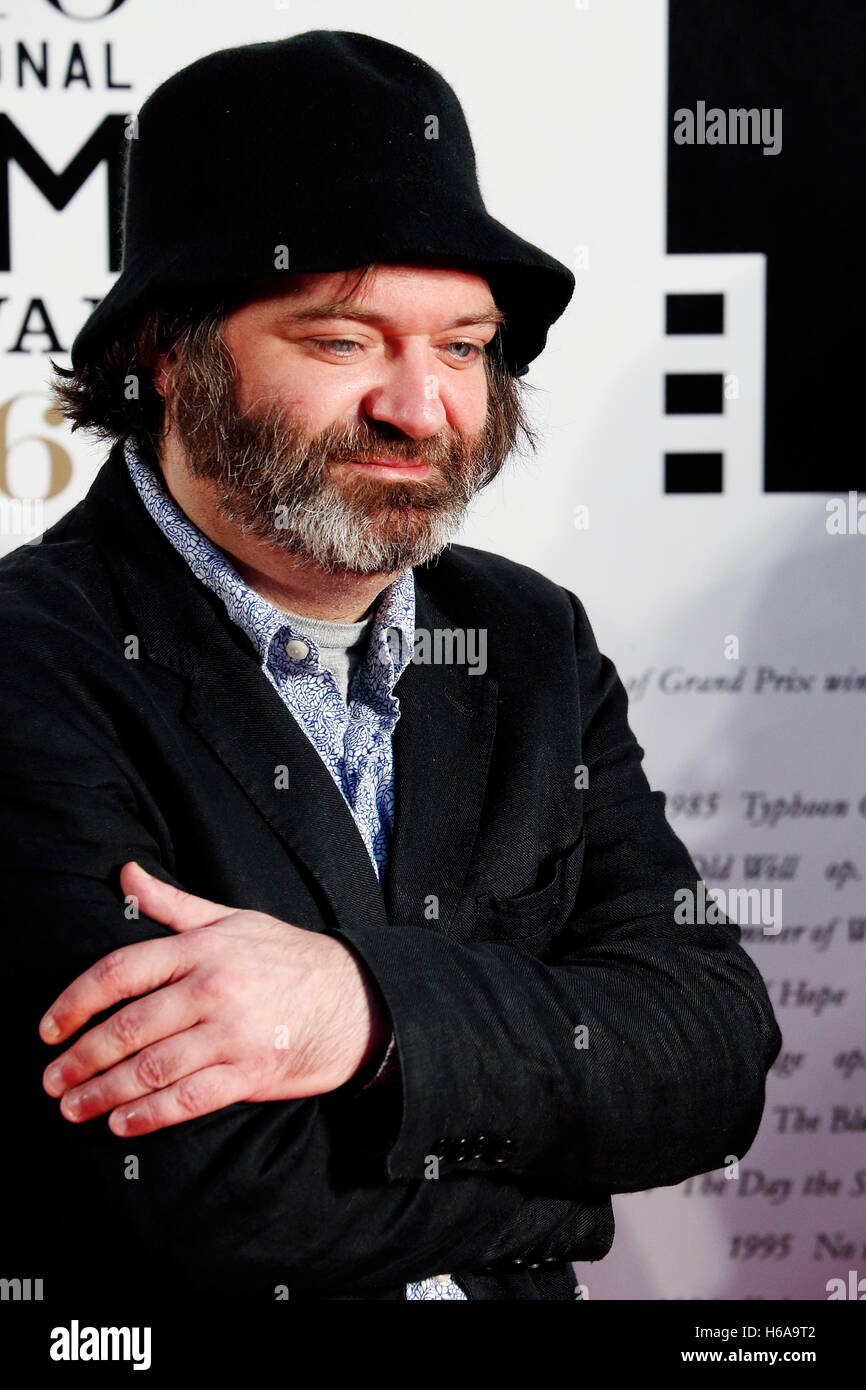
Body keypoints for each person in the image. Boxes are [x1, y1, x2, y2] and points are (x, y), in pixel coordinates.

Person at [0, 30, 781, 1303]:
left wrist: (361, 1011)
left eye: (463, 346)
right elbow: (200, 1193)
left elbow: (713, 1053)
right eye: (343, 341)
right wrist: (563, 1198)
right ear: (164, 347)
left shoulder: (531, 643)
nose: (421, 409)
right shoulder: (34, 661)